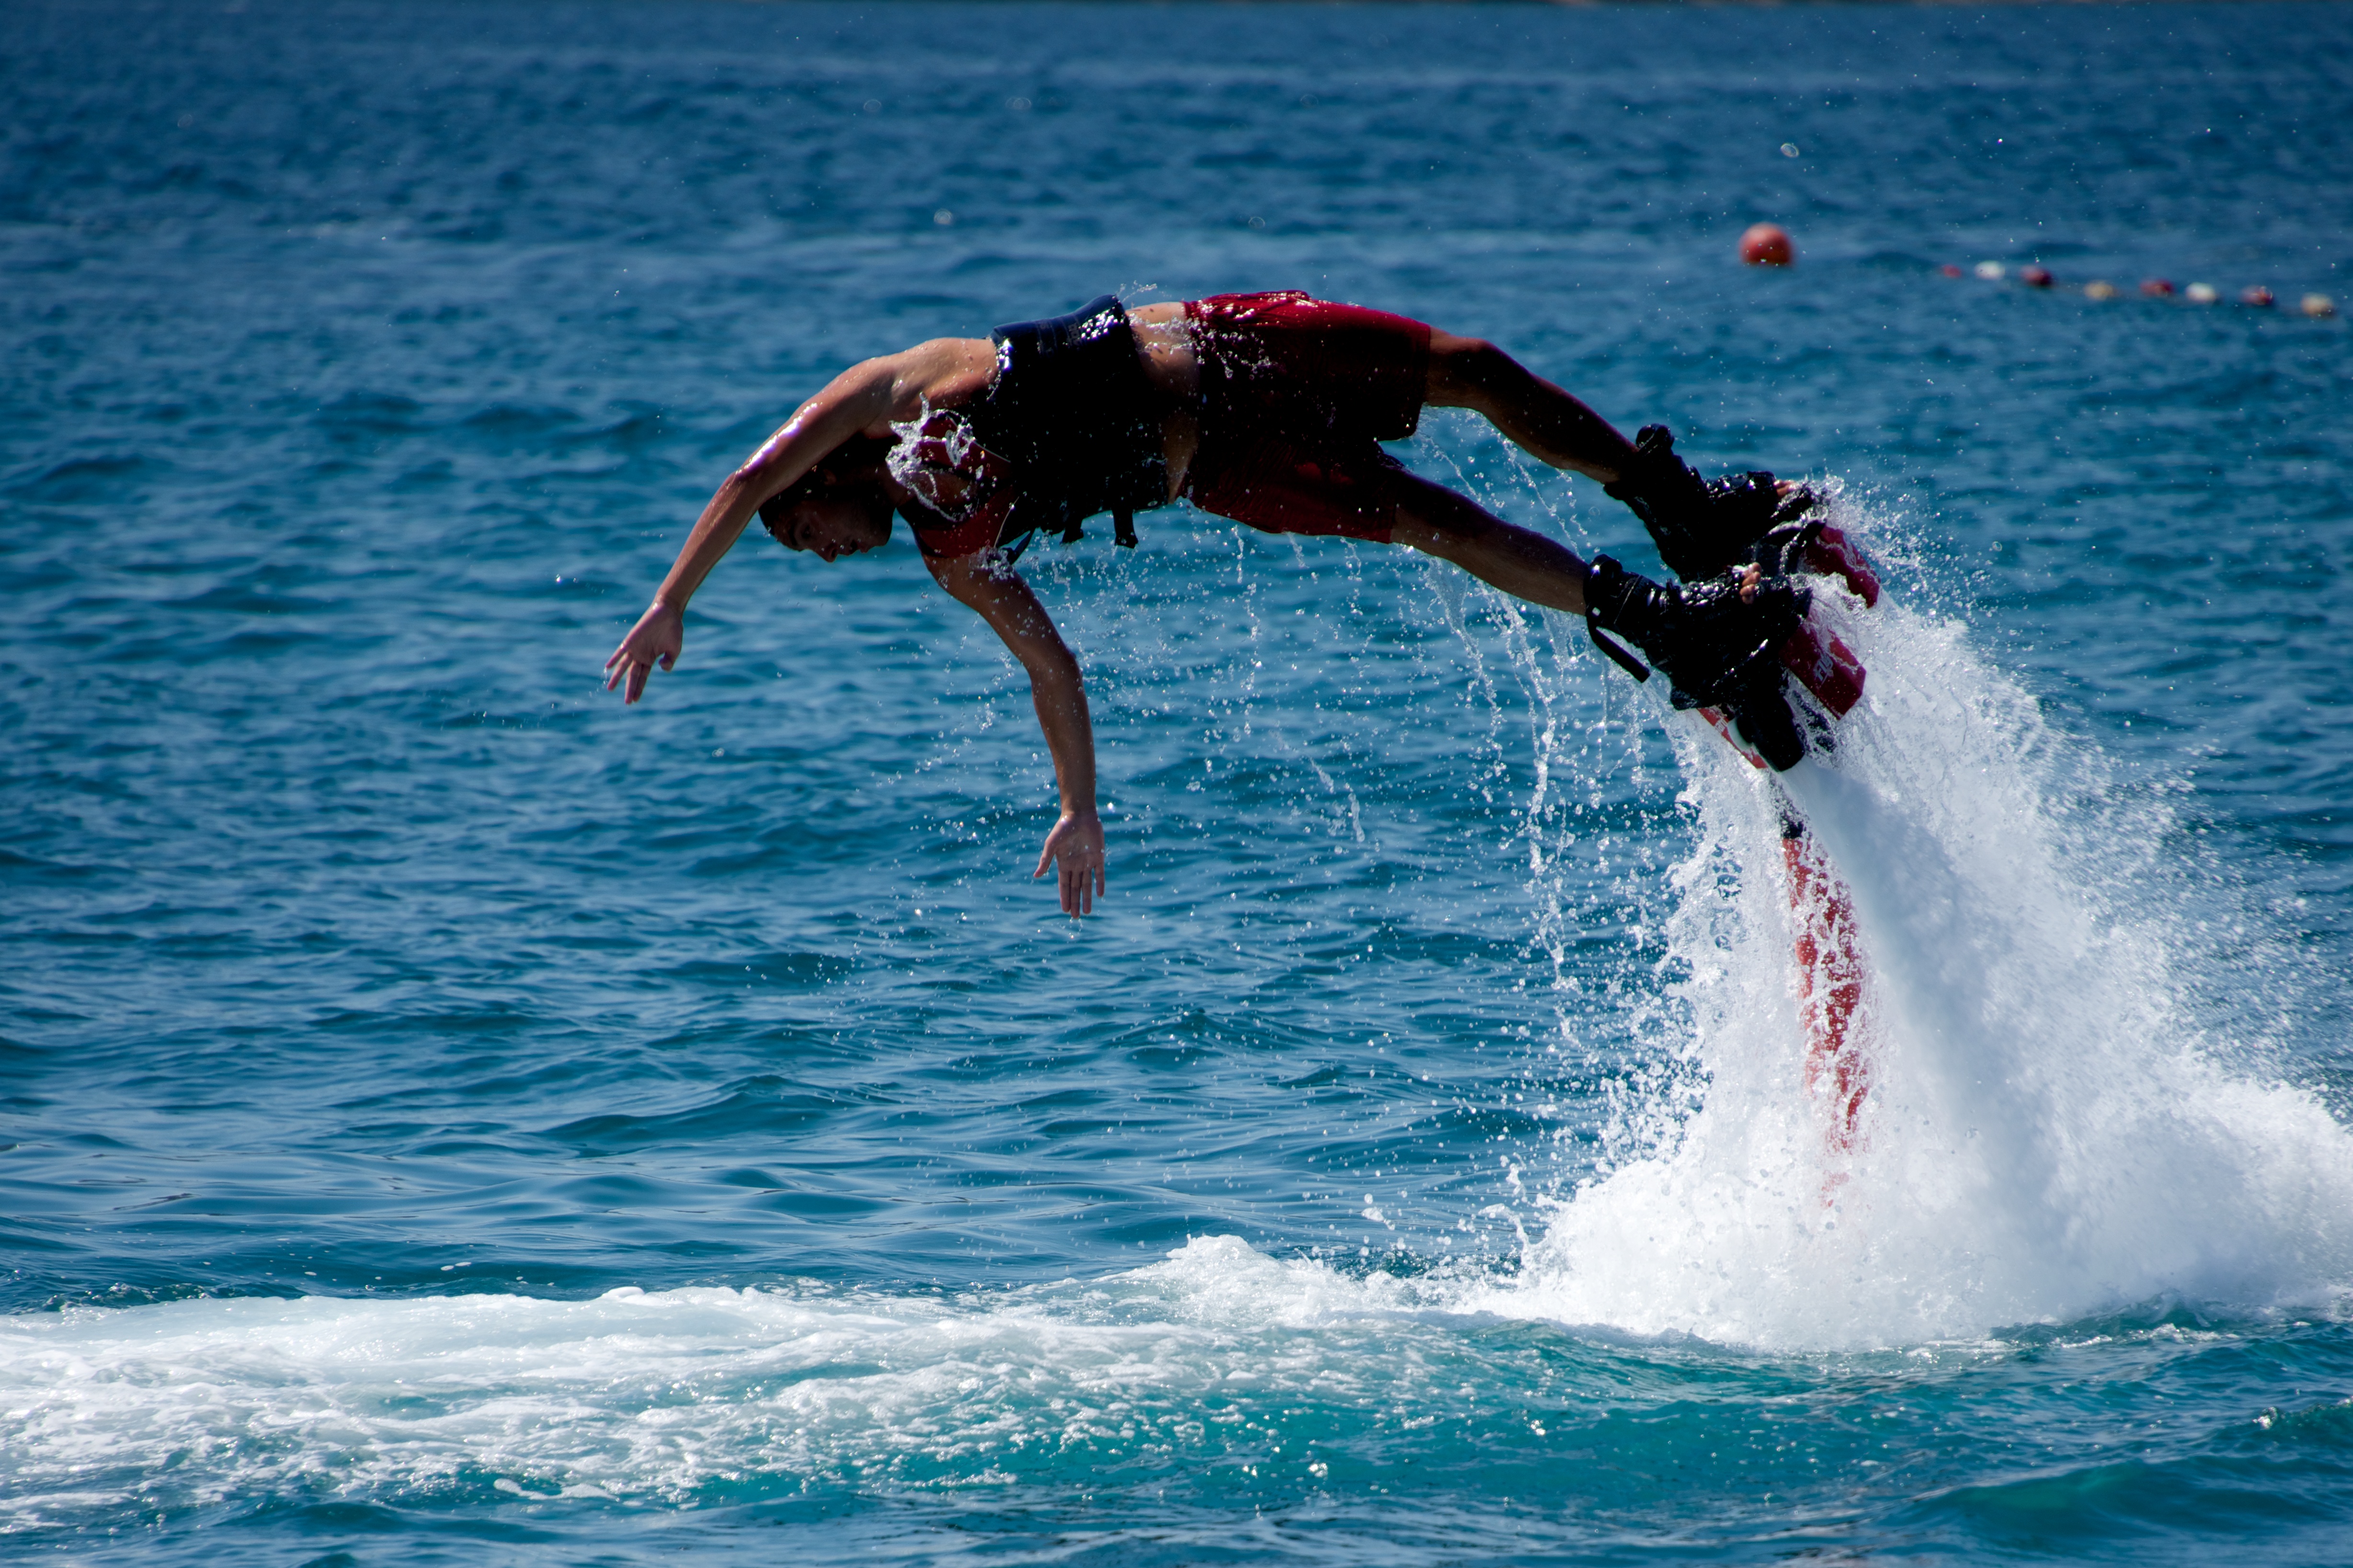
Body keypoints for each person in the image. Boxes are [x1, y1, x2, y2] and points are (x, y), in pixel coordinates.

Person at [605, 291, 1819, 915]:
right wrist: (1078, 809)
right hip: (1220, 469)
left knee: (1470, 370)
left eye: (805, 535)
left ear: (823, 485)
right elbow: (1051, 670)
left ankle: (1674, 504)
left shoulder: (891, 392)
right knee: (1439, 527)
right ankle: (1668, 620)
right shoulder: (953, 554)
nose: (820, 555)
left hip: (1221, 348)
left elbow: (743, 473)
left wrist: (670, 603)